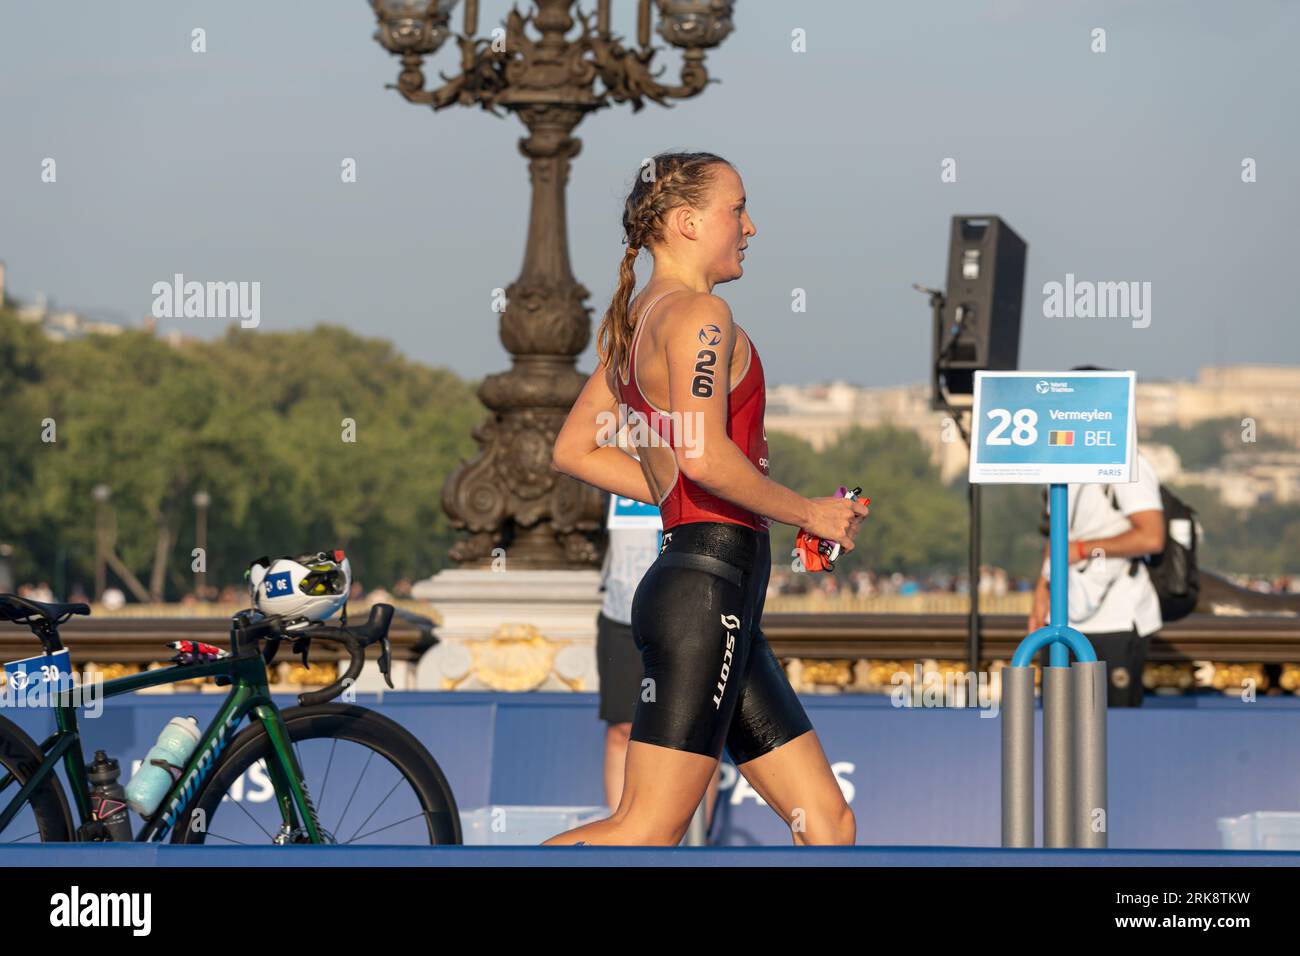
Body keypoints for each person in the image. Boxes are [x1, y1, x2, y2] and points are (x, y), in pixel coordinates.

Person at [546, 151, 868, 846]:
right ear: (688, 222)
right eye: (737, 208)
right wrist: (809, 511)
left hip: (714, 589)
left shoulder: (636, 325)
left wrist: (692, 500)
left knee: (830, 822)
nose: (751, 226)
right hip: (705, 594)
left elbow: (576, 449)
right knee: (645, 830)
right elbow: (704, 454)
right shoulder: (700, 315)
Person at [596, 496, 723, 822]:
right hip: (623, 610)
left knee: (697, 733)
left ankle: (693, 845)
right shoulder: (610, 449)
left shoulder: (696, 450)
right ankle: (620, 839)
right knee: (622, 727)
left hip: (693, 611)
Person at [1028, 446, 1165, 707]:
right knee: (1058, 725)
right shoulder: (1059, 465)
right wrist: (1042, 589)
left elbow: (1152, 536)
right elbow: (1057, 535)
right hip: (1063, 616)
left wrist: (1081, 550)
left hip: (1117, 618)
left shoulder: (1128, 463)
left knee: (1114, 729)